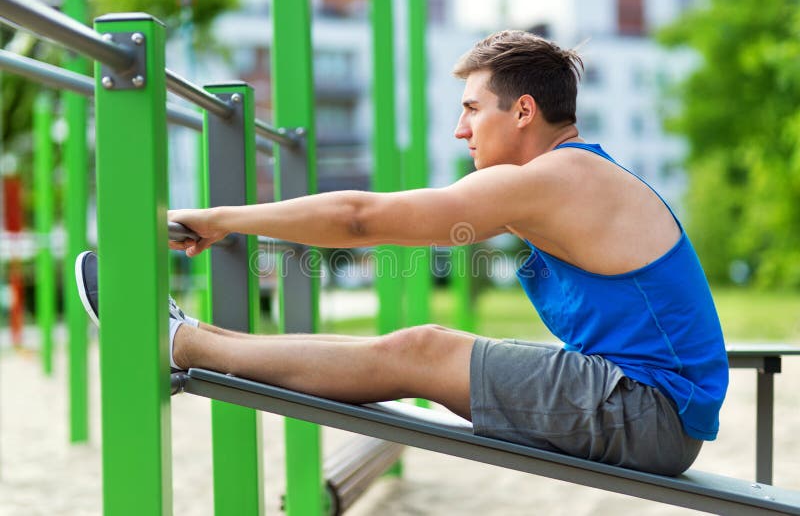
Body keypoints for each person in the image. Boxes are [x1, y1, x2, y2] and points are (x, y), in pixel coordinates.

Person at [76, 30, 728, 476]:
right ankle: (187, 335)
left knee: (422, 351)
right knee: (423, 344)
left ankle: (179, 344)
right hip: (647, 406)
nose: (461, 129)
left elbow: (362, 219)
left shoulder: (556, 180)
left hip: (648, 413)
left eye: (473, 109)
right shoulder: (566, 177)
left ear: (524, 110)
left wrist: (220, 219)